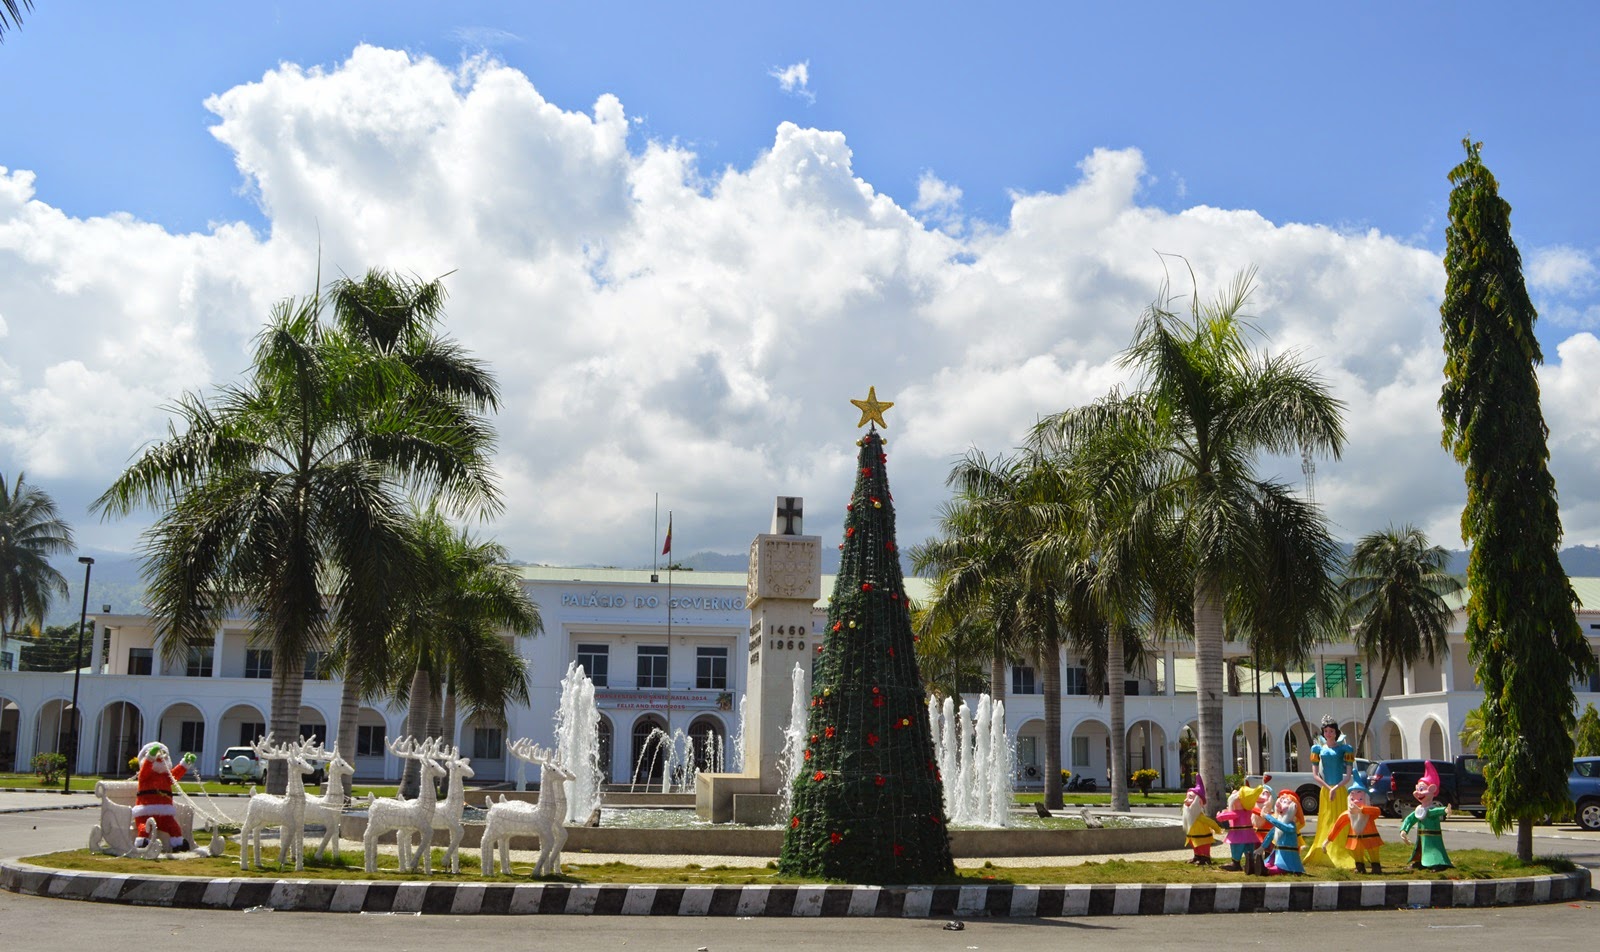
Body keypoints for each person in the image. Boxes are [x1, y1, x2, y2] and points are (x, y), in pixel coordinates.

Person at [1304, 714, 1356, 869]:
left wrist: (1336, 788)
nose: (1328, 733)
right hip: (1326, 791)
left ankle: (1341, 849)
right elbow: (1315, 775)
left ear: (1336, 732)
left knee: (1341, 820)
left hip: (1339, 790)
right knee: (1326, 820)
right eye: (1326, 731)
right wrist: (1328, 788)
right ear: (1323, 732)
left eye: (1331, 731)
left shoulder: (1344, 749)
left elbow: (1348, 775)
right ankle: (1324, 848)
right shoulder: (1318, 749)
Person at [132, 741, 197, 851]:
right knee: (144, 828)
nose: (161, 758)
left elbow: (175, 774)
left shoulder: (166, 777)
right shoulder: (145, 775)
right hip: (145, 812)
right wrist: (150, 757)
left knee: (174, 827)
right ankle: (142, 843)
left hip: (165, 814)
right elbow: (145, 770)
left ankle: (178, 844)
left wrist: (185, 764)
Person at [1322, 770, 1384, 873]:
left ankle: (1376, 866)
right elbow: (1337, 827)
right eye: (1353, 798)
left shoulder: (1369, 813)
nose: (1355, 802)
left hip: (1371, 838)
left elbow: (1377, 811)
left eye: (1360, 798)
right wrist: (1327, 841)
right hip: (1355, 840)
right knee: (1357, 853)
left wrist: (1361, 810)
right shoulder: (1348, 815)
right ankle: (1360, 867)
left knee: (1373, 851)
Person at [1399, 760, 1452, 870]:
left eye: (1421, 789)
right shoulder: (1419, 809)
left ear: (1432, 789)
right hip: (1422, 836)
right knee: (1420, 848)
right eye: (1417, 789)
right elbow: (1410, 819)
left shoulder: (1430, 809)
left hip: (1432, 836)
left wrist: (1445, 810)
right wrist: (1404, 830)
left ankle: (1437, 863)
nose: (1418, 792)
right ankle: (1419, 862)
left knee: (1433, 848)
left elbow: (1435, 812)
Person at [1215, 781, 1266, 871]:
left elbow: (1225, 817)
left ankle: (1236, 863)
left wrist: (1219, 815)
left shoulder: (1236, 813)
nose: (1234, 793)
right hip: (1249, 835)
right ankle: (1250, 863)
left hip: (1237, 835)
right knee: (1249, 849)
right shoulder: (1248, 811)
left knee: (1236, 849)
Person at [1181, 776, 1226, 865]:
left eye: (1190, 797)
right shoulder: (1191, 816)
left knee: (1203, 846)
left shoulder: (1199, 817)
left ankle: (1205, 858)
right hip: (1193, 836)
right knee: (1195, 846)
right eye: (1187, 797)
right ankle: (1197, 856)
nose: (1186, 800)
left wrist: (1218, 829)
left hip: (1203, 836)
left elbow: (1211, 822)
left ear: (1199, 802)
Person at [1262, 788, 1306, 875]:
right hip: (1277, 852)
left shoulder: (1291, 826)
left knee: (1281, 867)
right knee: (1269, 860)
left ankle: (1269, 870)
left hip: (1287, 855)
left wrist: (1267, 816)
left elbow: (1283, 827)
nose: (1280, 804)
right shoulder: (1279, 825)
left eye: (1285, 802)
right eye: (1281, 801)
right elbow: (1270, 835)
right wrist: (1261, 848)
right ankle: (1262, 866)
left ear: (1293, 807)